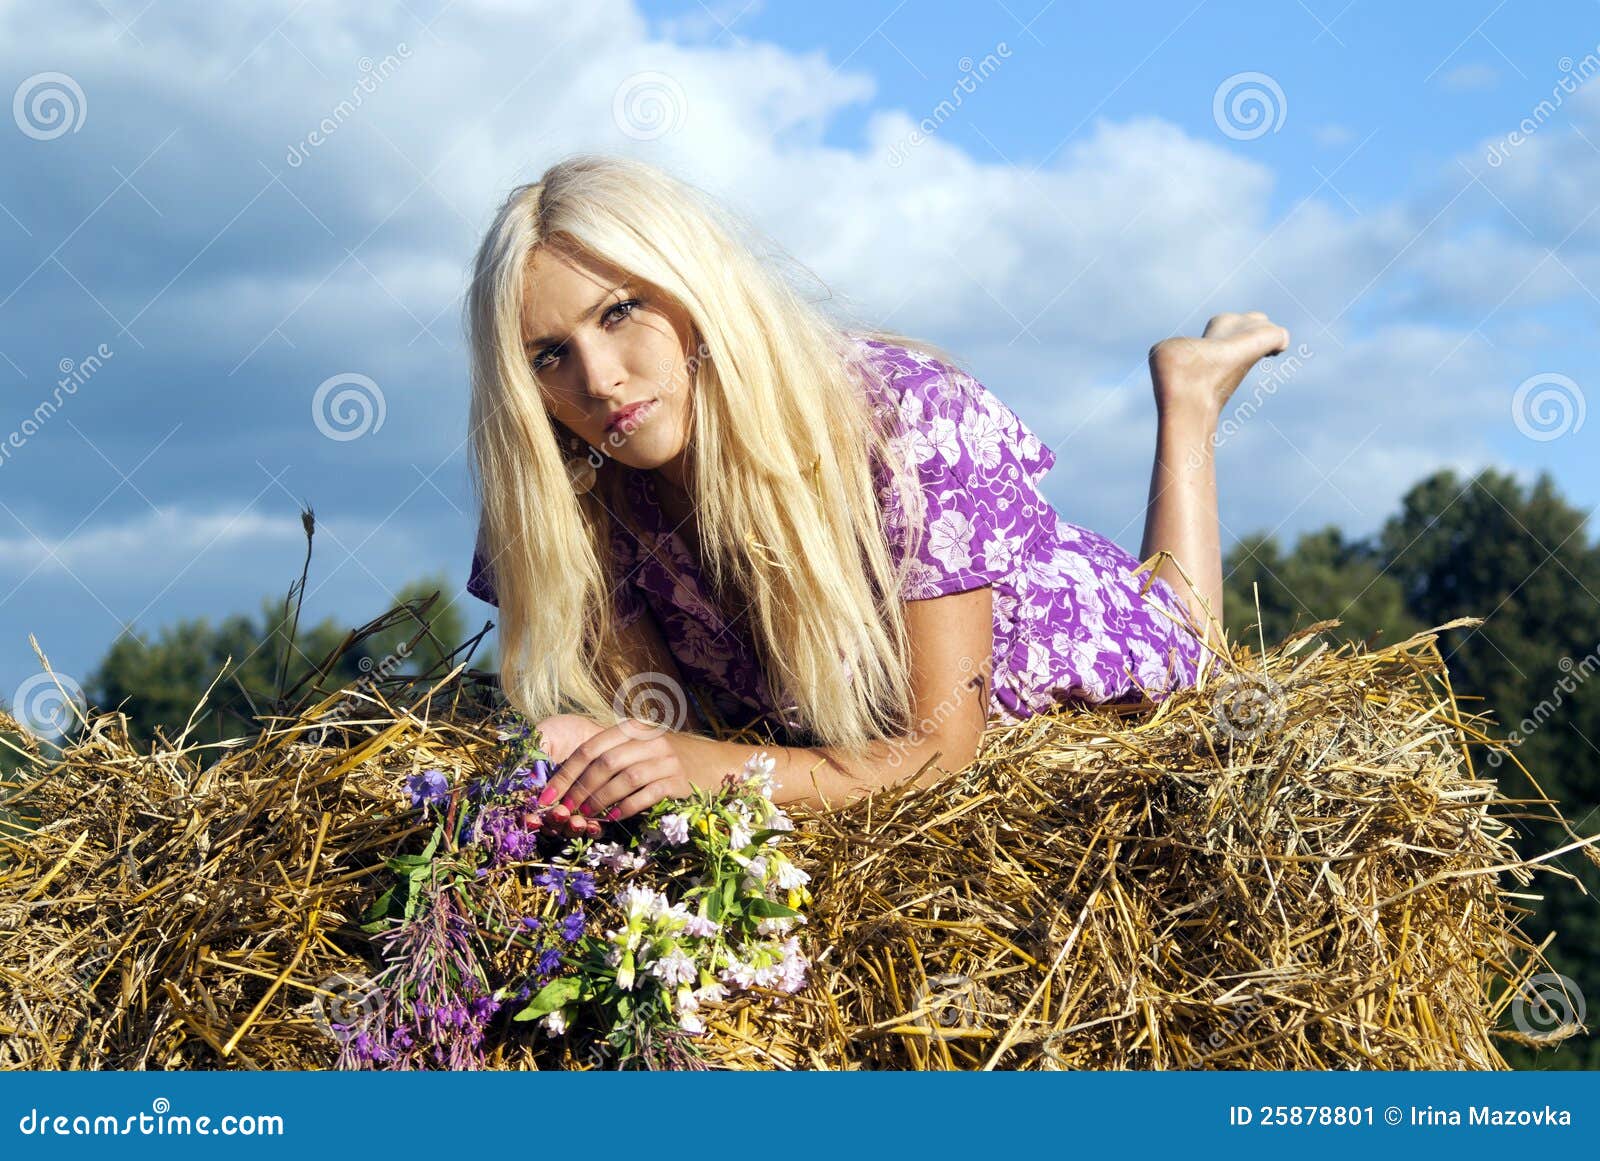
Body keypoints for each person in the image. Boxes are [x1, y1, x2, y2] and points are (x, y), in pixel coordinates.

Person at [462, 154, 1289, 823]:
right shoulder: (564, 498)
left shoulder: (905, 416)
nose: (599, 380)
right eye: (548, 356)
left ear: (691, 293)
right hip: (840, 743)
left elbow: (936, 756)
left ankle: (1189, 396)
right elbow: (671, 740)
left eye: (617, 312)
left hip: (1070, 662)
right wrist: (602, 763)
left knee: (1187, 631)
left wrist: (708, 769)